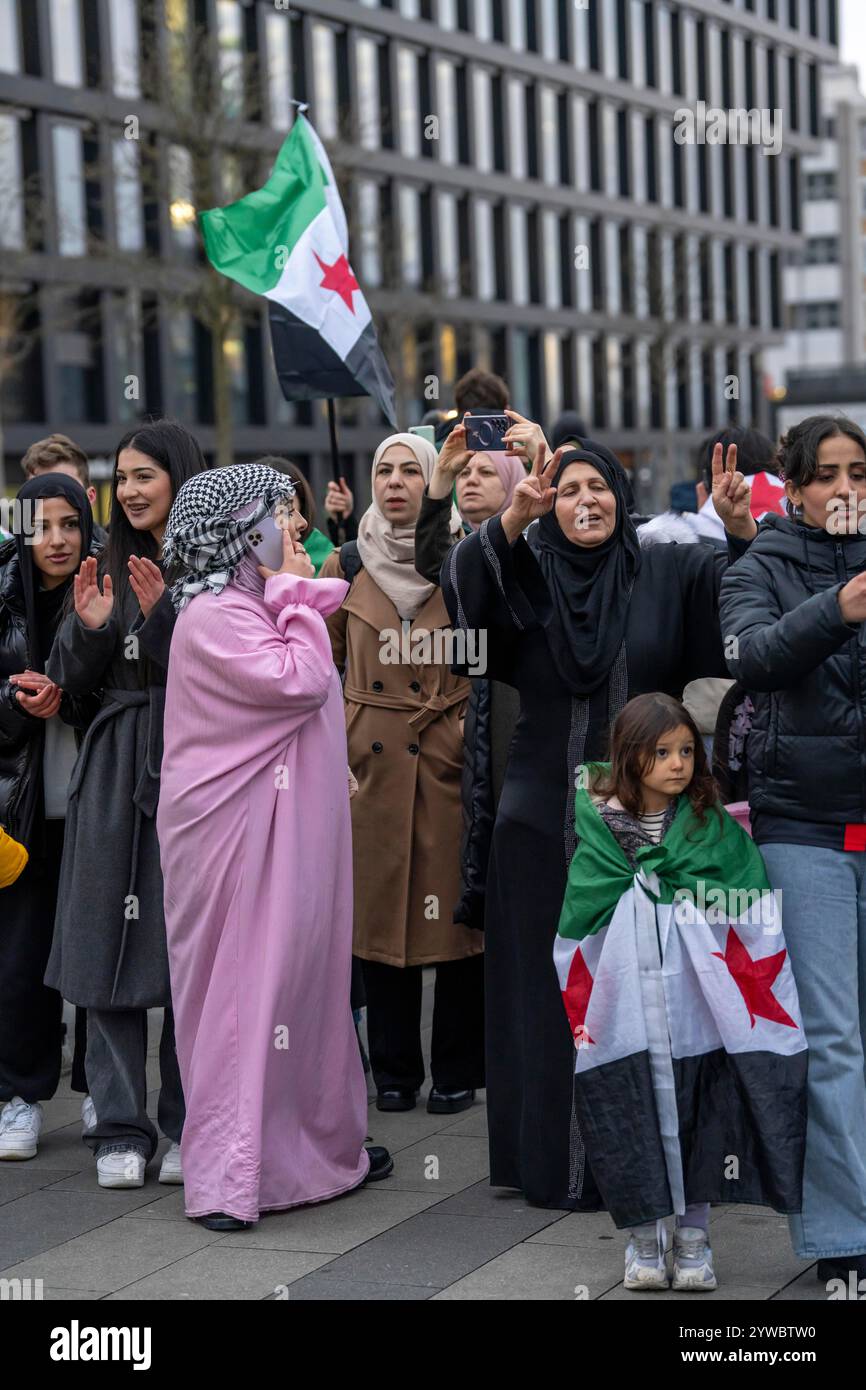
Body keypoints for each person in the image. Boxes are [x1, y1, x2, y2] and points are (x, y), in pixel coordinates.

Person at [440, 439, 757, 1208]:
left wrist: (742, 531)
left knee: (640, 995)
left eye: (600, 487)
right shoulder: (526, 573)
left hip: (645, 833)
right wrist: (511, 520)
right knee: (548, 994)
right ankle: (550, 1164)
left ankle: (640, 1165)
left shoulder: (664, 572)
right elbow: (462, 633)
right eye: (570, 487)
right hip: (537, 823)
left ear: (621, 495)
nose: (587, 499)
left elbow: (742, 627)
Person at [157, 464, 391, 1230]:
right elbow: (296, 682)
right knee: (243, 996)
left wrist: (289, 593)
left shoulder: (248, 600)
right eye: (274, 513)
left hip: (283, 836)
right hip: (233, 843)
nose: (288, 527)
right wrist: (296, 592)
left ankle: (312, 1152)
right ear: (236, 529)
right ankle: (232, 1176)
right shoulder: (215, 613)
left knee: (295, 989)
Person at [555, 694, 806, 1290]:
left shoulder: (710, 825)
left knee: (700, 1111)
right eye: (661, 752)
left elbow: (748, 903)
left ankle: (693, 1238)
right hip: (625, 1014)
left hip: (697, 1012)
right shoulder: (599, 832)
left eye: (688, 751)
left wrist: (688, 903)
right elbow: (579, 917)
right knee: (630, 1109)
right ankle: (645, 1238)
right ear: (626, 757)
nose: (678, 764)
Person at [719, 413, 866, 1285]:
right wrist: (839, 608)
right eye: (828, 475)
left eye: (860, 473)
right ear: (798, 486)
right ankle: (845, 1241)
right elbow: (752, 655)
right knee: (836, 1039)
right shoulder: (761, 564)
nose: (846, 489)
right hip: (804, 828)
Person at [44, 419, 206, 1189]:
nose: (133, 490)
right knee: (102, 941)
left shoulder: (215, 562)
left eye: (147, 474)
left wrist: (169, 615)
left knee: (186, 956)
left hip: (193, 767)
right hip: (113, 770)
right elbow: (69, 682)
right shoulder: (102, 560)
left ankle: (185, 1124)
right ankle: (118, 1128)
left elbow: (228, 671)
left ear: (180, 476)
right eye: (124, 477)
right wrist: (90, 630)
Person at [319, 433, 484, 1115]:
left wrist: (469, 731)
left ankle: (455, 1070)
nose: (393, 481)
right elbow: (320, 664)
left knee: (455, 924)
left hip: (447, 756)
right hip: (372, 768)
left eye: (409, 470)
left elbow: (487, 653)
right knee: (379, 921)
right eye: (383, 469)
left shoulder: (465, 560)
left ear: (431, 482)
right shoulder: (346, 561)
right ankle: (392, 1071)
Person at [0, 475, 97, 1160]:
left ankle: (104, 1092)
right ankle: (18, 1095)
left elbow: (139, 692)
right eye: (42, 526)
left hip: (98, 802)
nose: (57, 540)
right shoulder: (3, 591)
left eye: (70, 525)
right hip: (21, 804)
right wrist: (12, 699)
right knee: (18, 959)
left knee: (99, 954)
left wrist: (71, 698)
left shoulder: (110, 580)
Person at [250, 455, 335, 574]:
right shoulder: (225, 580)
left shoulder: (325, 559)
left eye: (291, 510)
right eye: (285, 512)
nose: (303, 523)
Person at [21, 434, 106, 543]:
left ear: (90, 497)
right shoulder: (8, 555)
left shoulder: (119, 555)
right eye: (40, 492)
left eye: (66, 489)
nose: (53, 501)